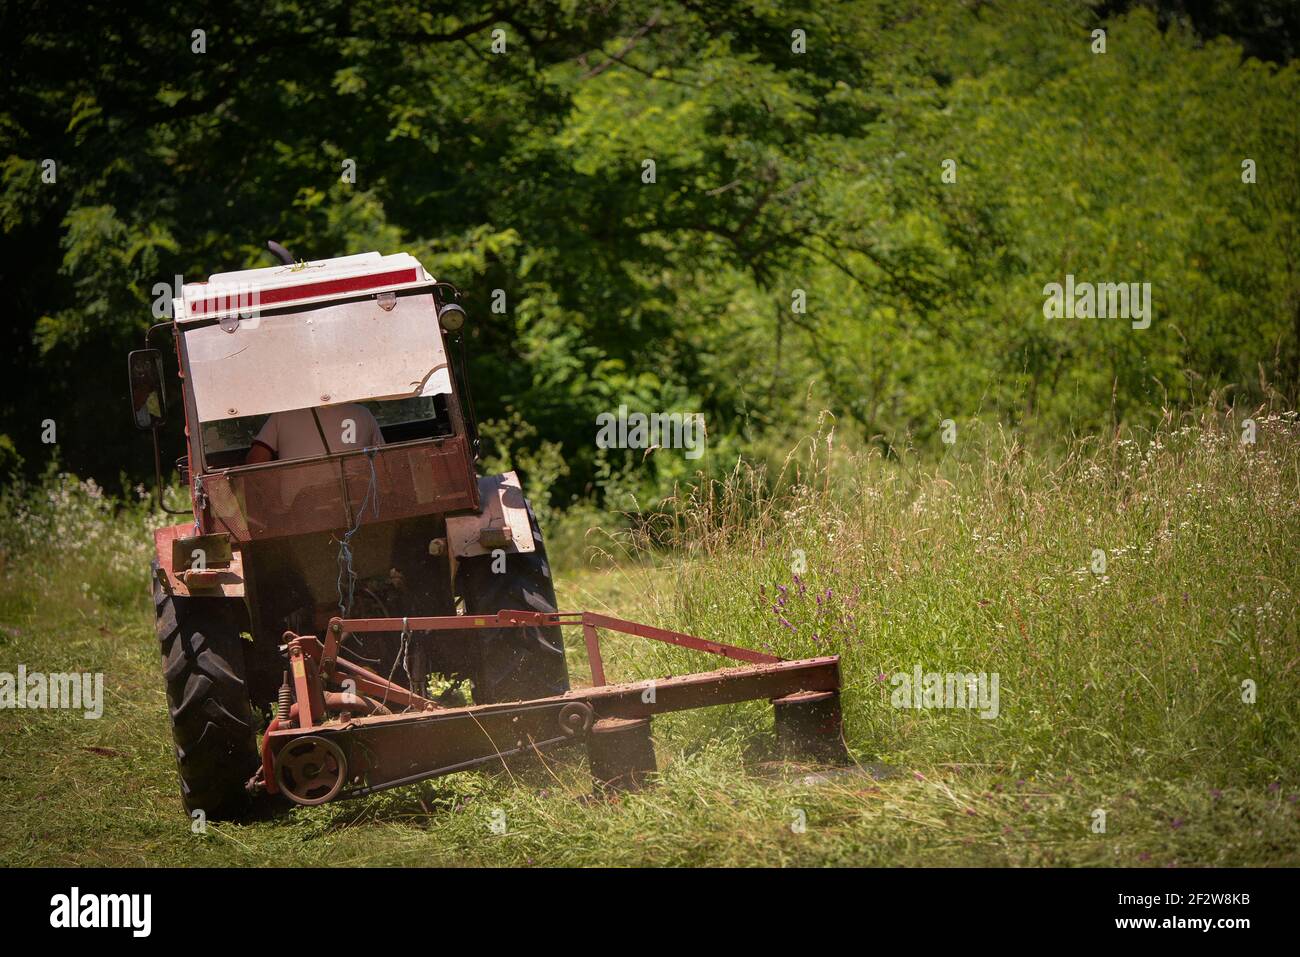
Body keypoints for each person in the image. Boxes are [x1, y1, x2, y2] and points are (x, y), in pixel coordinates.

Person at [245, 402, 385, 463]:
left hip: (298, 506)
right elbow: (383, 464)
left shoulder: (282, 416)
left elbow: (255, 462)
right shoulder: (363, 413)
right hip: (357, 499)